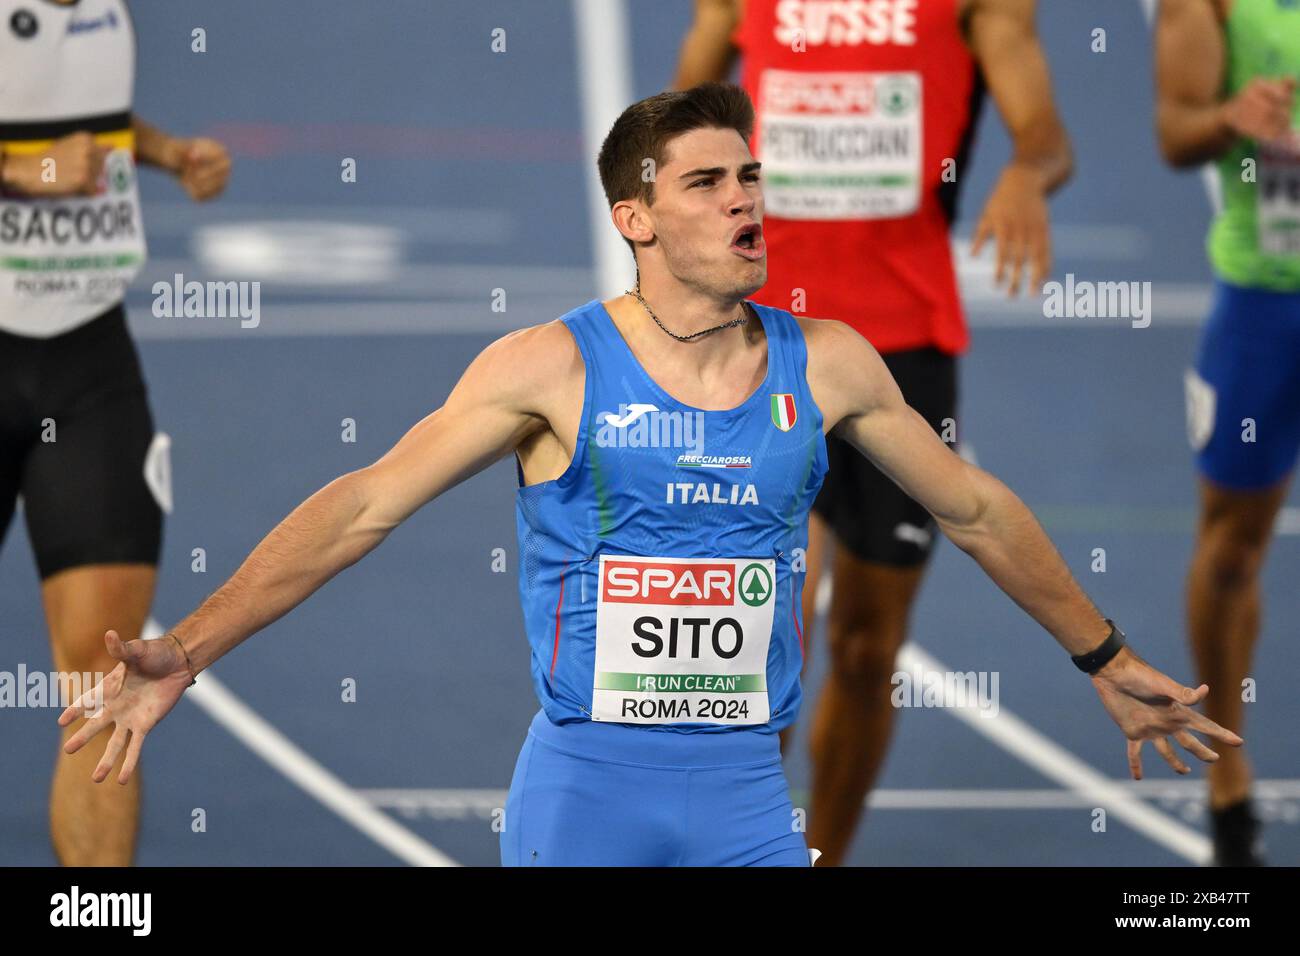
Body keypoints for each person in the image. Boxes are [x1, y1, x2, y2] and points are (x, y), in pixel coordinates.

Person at [59, 83, 1235, 867]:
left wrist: (1107, 656)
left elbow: (974, 509)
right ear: (635, 216)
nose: (746, 200)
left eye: (751, 177)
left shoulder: (826, 362)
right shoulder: (551, 366)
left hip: (743, 799)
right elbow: (361, 506)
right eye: (710, 183)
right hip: (585, 789)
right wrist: (191, 648)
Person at [672, 0, 1072, 864]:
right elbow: (674, 134)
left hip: (903, 354)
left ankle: (826, 856)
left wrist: (1026, 175)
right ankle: (743, 850)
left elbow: (1045, 135)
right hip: (761, 338)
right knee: (758, 642)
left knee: (865, 646)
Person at [0, 0, 231, 865]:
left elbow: (78, 118)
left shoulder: (106, 11)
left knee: (105, 685)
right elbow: (44, 156)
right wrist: (30, 176)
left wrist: (167, 154)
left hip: (88, 359)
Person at [1154, 0, 1300, 866]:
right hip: (1264, 308)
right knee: (1234, 550)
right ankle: (1225, 782)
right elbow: (1176, 131)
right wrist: (1229, 117)